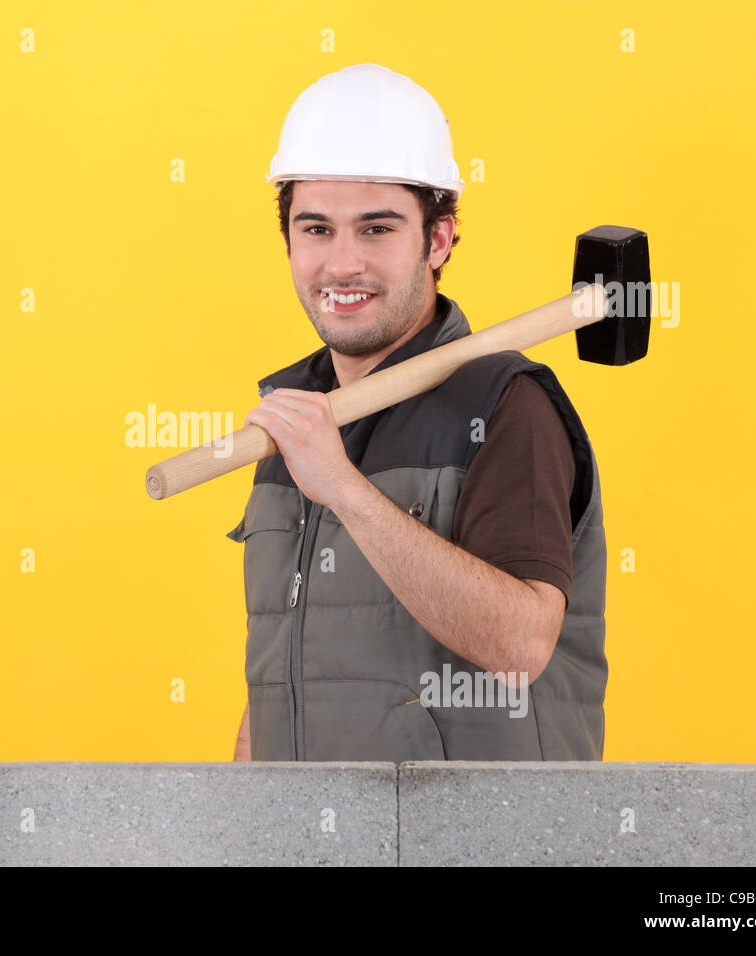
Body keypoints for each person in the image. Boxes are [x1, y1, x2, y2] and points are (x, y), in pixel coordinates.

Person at [230, 64, 608, 763]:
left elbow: (520, 647)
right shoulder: (293, 422)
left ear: (437, 242)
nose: (342, 264)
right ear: (288, 240)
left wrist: (342, 486)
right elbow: (280, 672)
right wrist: (246, 825)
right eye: (316, 228)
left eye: (376, 229)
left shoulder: (504, 406)